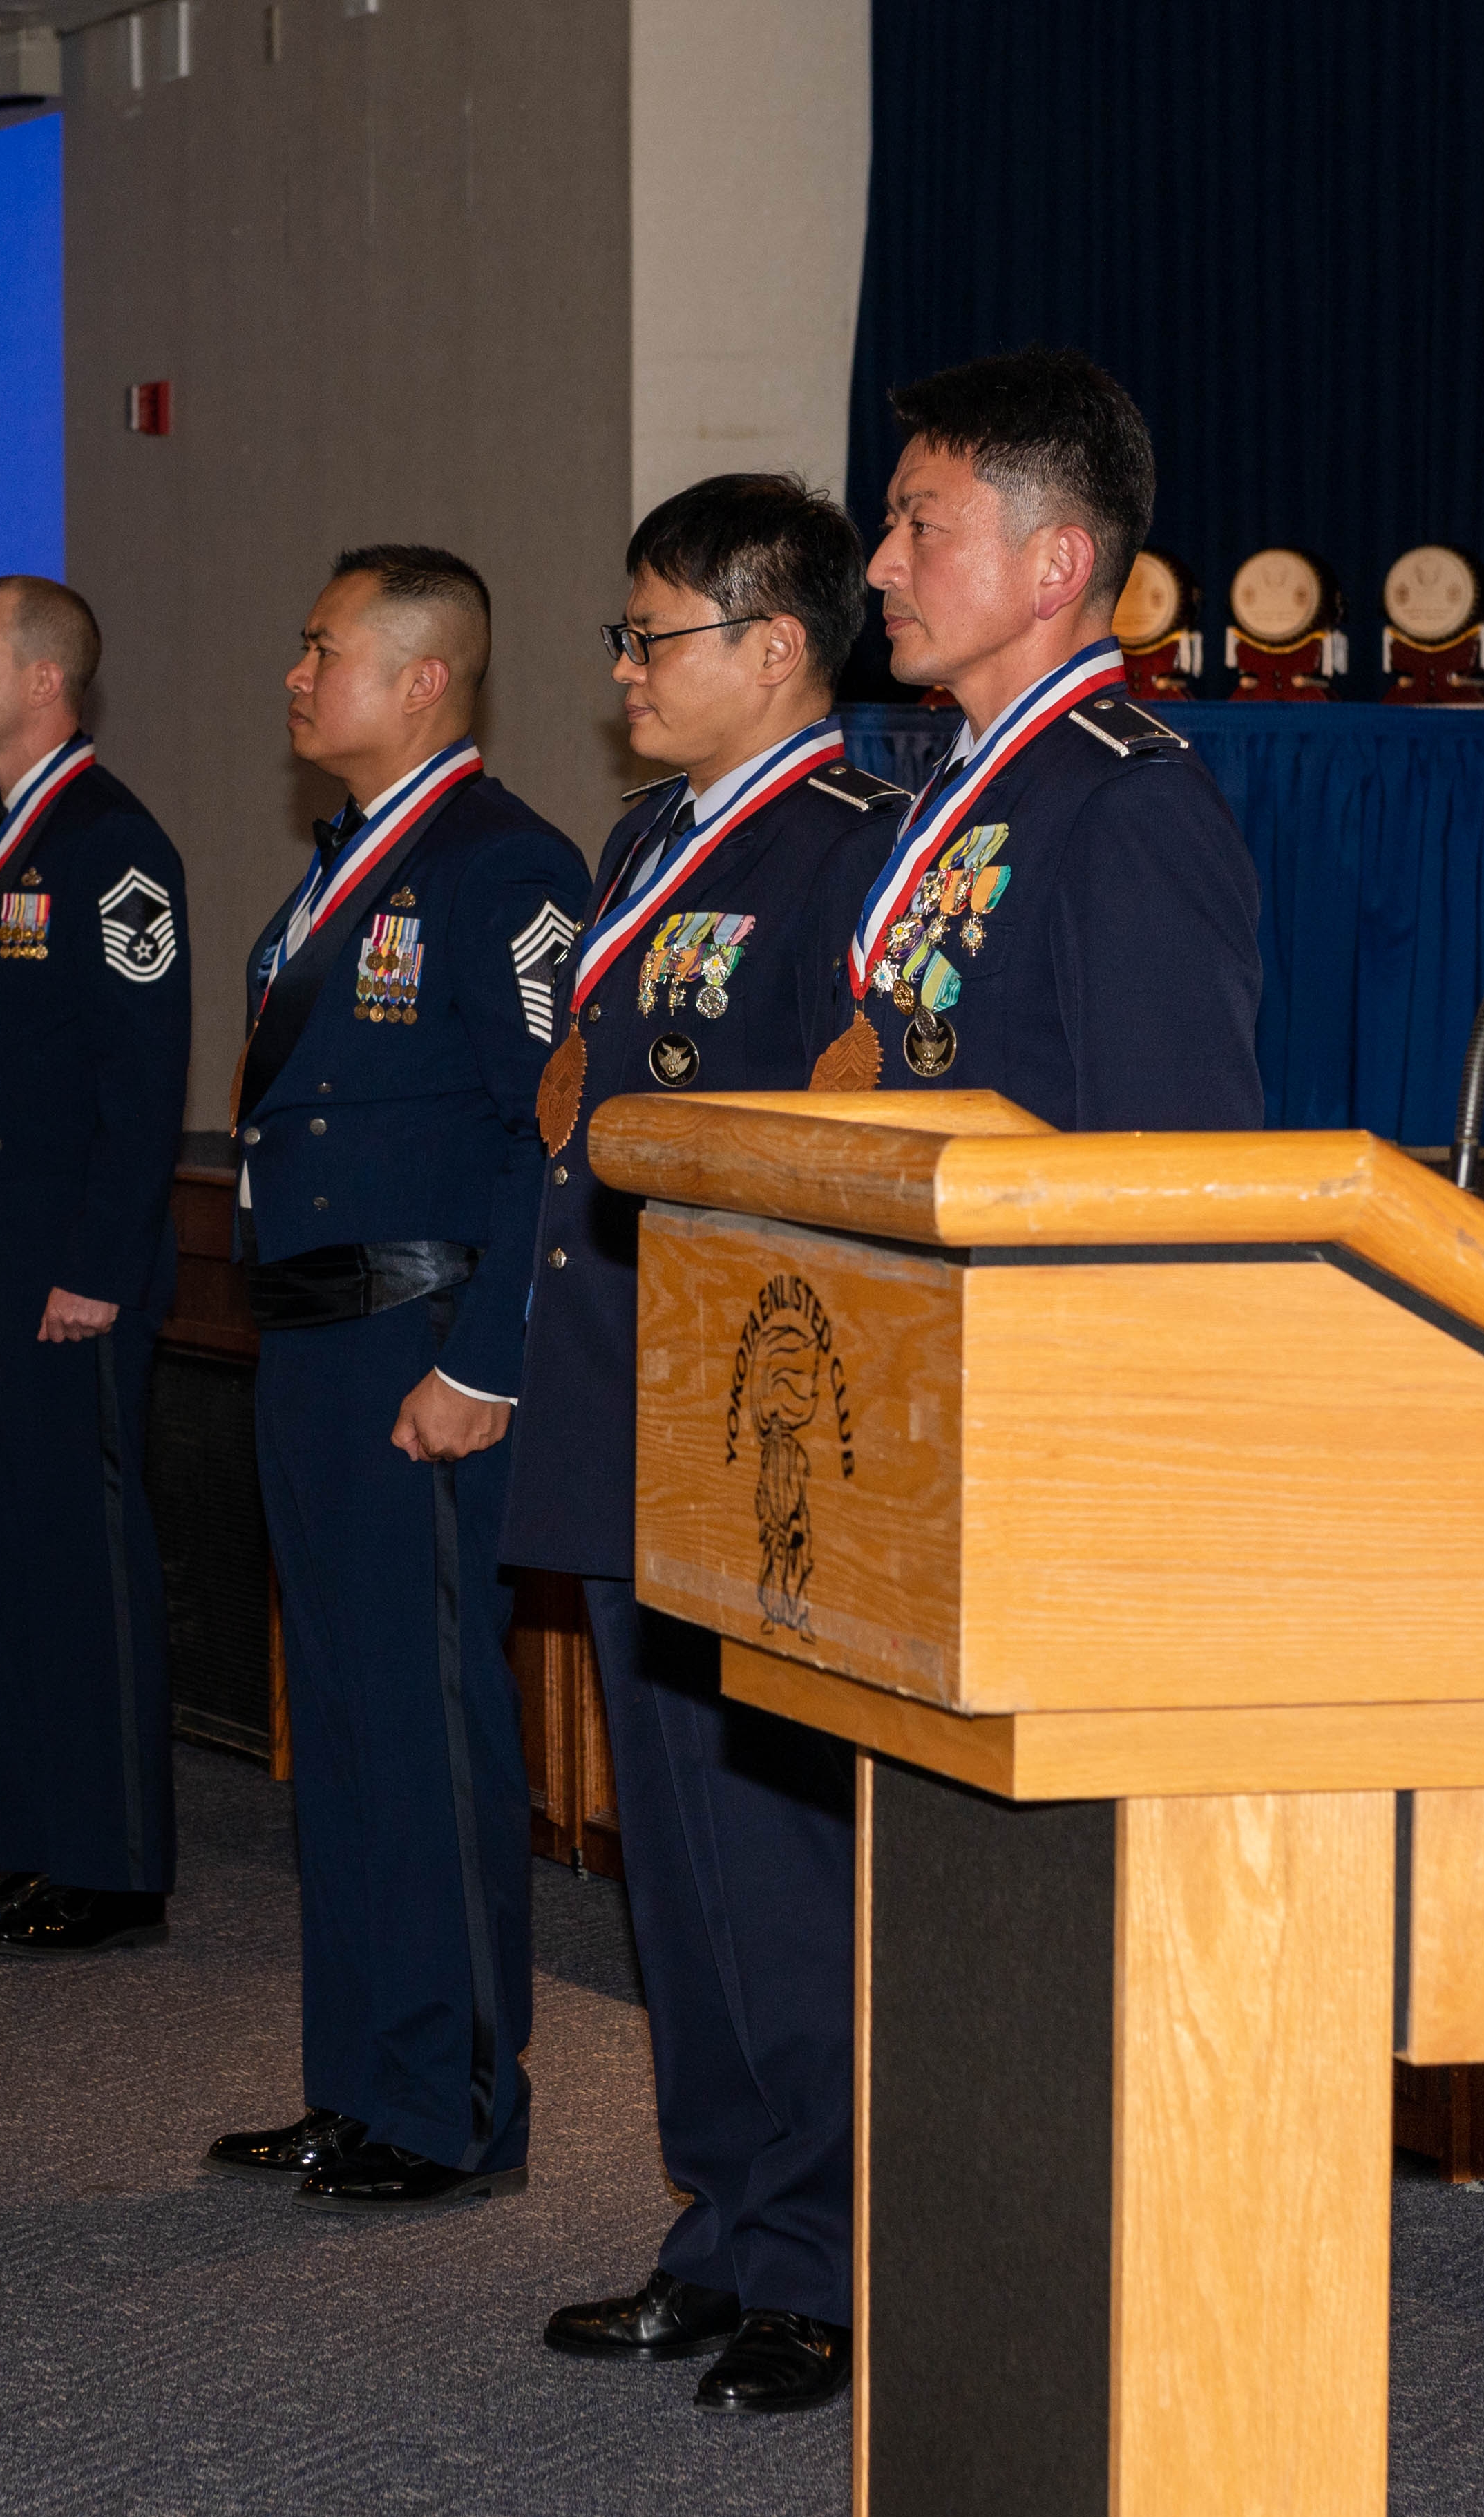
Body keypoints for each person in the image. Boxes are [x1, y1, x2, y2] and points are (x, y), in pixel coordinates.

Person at [506, 476, 902, 2416]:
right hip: (615, 1394)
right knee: (670, 1868)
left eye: (650, 635)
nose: (619, 670)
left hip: (747, 1430)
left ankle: (824, 2262)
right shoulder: (648, 831)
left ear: (771, 646)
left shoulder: (852, 848)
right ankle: (723, 2223)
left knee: (764, 1861)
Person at [202, 545, 585, 2212]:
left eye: (323, 647)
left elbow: (548, 1134)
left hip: (421, 1348)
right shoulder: (341, 862)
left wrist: (485, 1362)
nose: (295, 675)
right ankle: (359, 2079)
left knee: (429, 1733)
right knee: (346, 1733)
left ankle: (456, 2102)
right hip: (315, 1345)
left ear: (425, 678)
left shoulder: (509, 866)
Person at [0, 575, 198, 1951]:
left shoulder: (108, 843)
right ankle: (25, 1842)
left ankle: (113, 1860)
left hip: (66, 1261)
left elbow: (143, 1082)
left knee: (79, 1559)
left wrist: (98, 1263)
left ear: (40, 680)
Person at [850, 348, 1263, 1129]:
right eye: (890, 524)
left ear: (1057, 567)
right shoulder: (973, 781)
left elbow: (1170, 1168)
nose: (881, 566)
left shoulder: (1131, 806)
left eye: (923, 526)